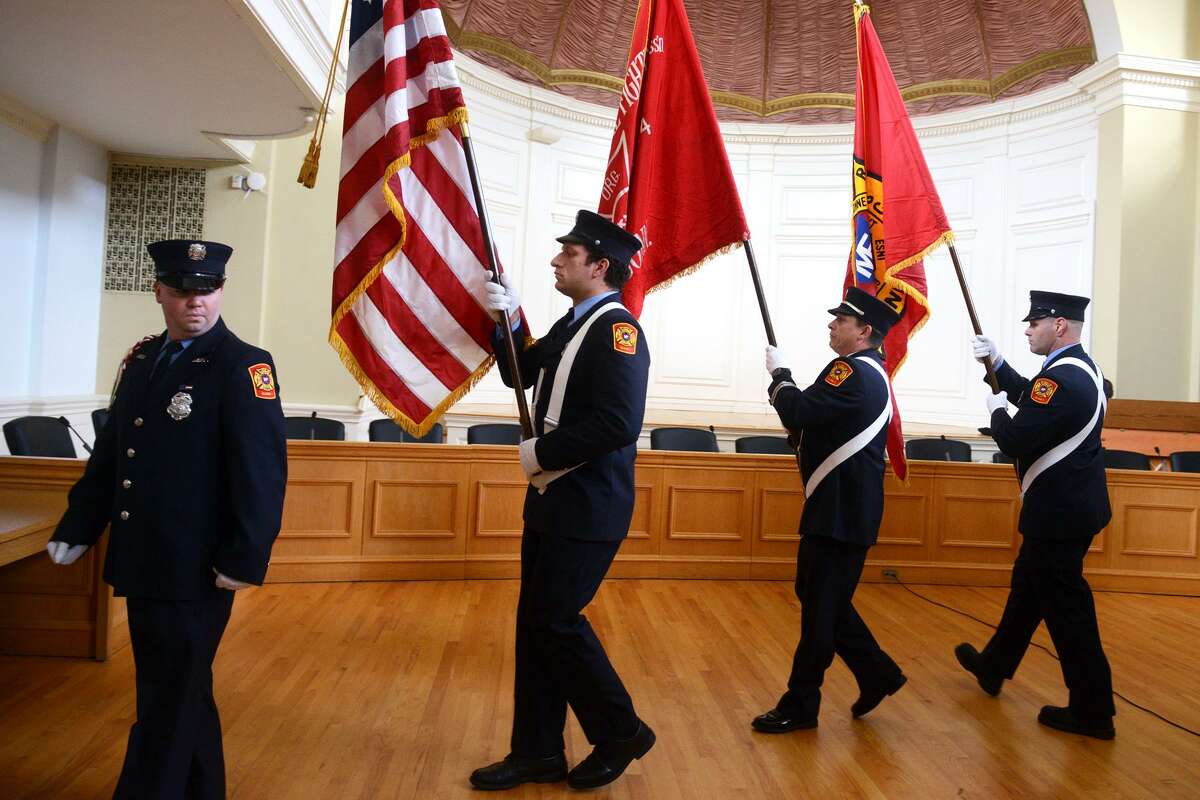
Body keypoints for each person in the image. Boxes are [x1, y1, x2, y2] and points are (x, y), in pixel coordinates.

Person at [46, 239, 288, 797]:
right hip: (144, 557)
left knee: (167, 694)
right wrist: (80, 523)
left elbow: (261, 472)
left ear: (222, 291)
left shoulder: (245, 365)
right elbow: (114, 452)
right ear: (159, 291)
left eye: (207, 290)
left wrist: (244, 556)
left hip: (199, 566)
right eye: (182, 290)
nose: (195, 302)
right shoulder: (143, 358)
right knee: (181, 687)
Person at [470, 210, 654, 791]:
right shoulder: (573, 325)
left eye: (569, 254)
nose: (556, 260)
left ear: (600, 266)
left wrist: (541, 454)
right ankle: (537, 751)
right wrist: (509, 317)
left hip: (587, 505)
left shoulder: (617, 331)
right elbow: (519, 373)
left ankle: (621, 730)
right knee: (536, 627)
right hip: (554, 503)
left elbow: (619, 422)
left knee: (556, 621)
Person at [956, 290, 1115, 739]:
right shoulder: (1081, 370)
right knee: (1028, 586)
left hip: (1059, 514)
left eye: (1034, 323)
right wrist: (1001, 366)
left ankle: (1093, 710)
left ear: (1059, 326)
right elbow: (1039, 400)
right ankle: (994, 665)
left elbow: (1017, 439)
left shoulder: (1061, 380)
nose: (1027, 329)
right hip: (1070, 508)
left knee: (1069, 613)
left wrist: (997, 412)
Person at [752, 286, 908, 733]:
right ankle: (877, 672)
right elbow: (816, 424)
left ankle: (801, 704)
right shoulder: (866, 371)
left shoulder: (851, 372)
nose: (832, 324)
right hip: (842, 506)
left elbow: (799, 410)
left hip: (840, 509)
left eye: (842, 320)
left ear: (865, 331)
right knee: (821, 597)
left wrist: (780, 375)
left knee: (820, 608)